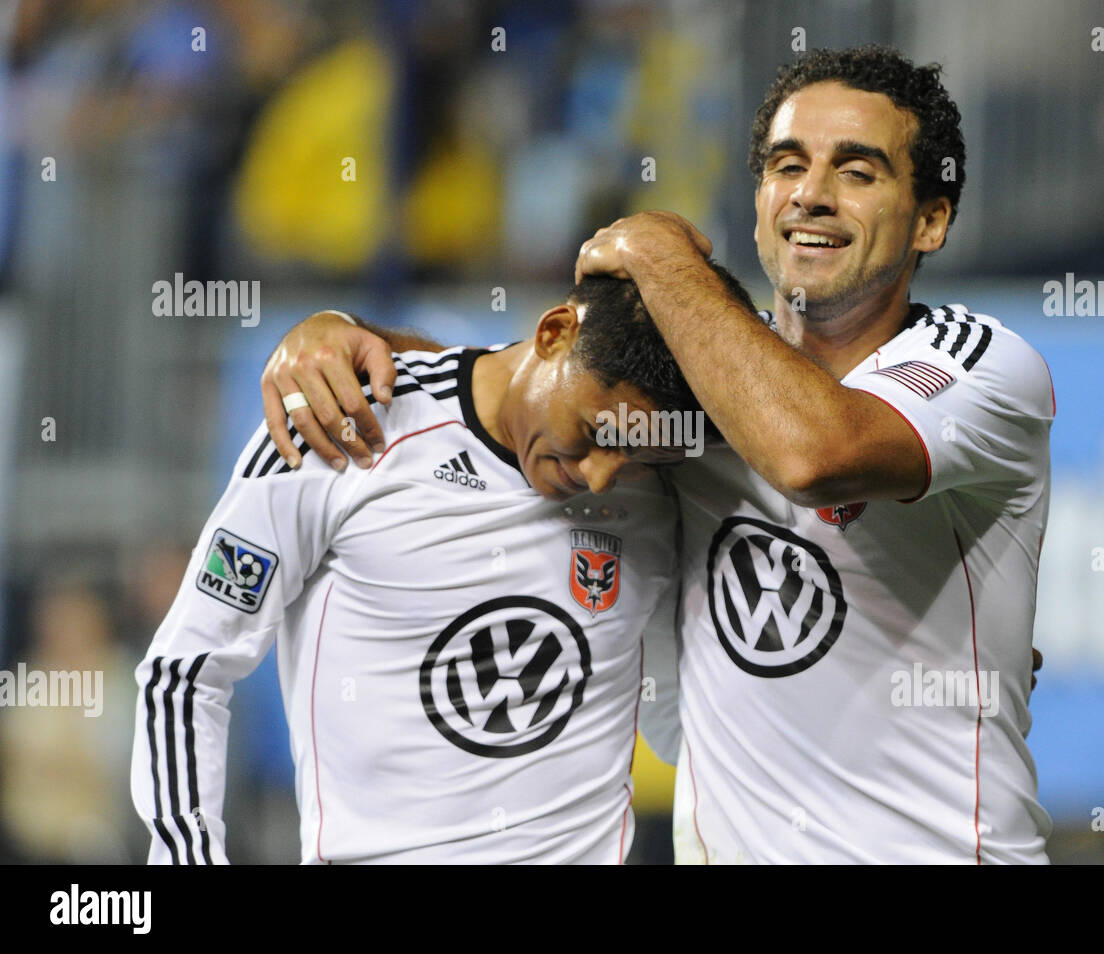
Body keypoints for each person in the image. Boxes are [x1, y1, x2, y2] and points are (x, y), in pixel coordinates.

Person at [263, 45, 1053, 864]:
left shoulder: (982, 365)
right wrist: (338, 337)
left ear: (931, 218)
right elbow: (519, 394)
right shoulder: (689, 402)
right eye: (788, 166)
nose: (812, 195)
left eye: (859, 172)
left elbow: (815, 453)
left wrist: (659, 255)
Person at [130, 267, 755, 864]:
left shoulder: (659, 489)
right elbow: (188, 671)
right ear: (553, 333)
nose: (601, 474)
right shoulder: (339, 423)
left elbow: (686, 720)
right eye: (593, 430)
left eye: (636, 456)